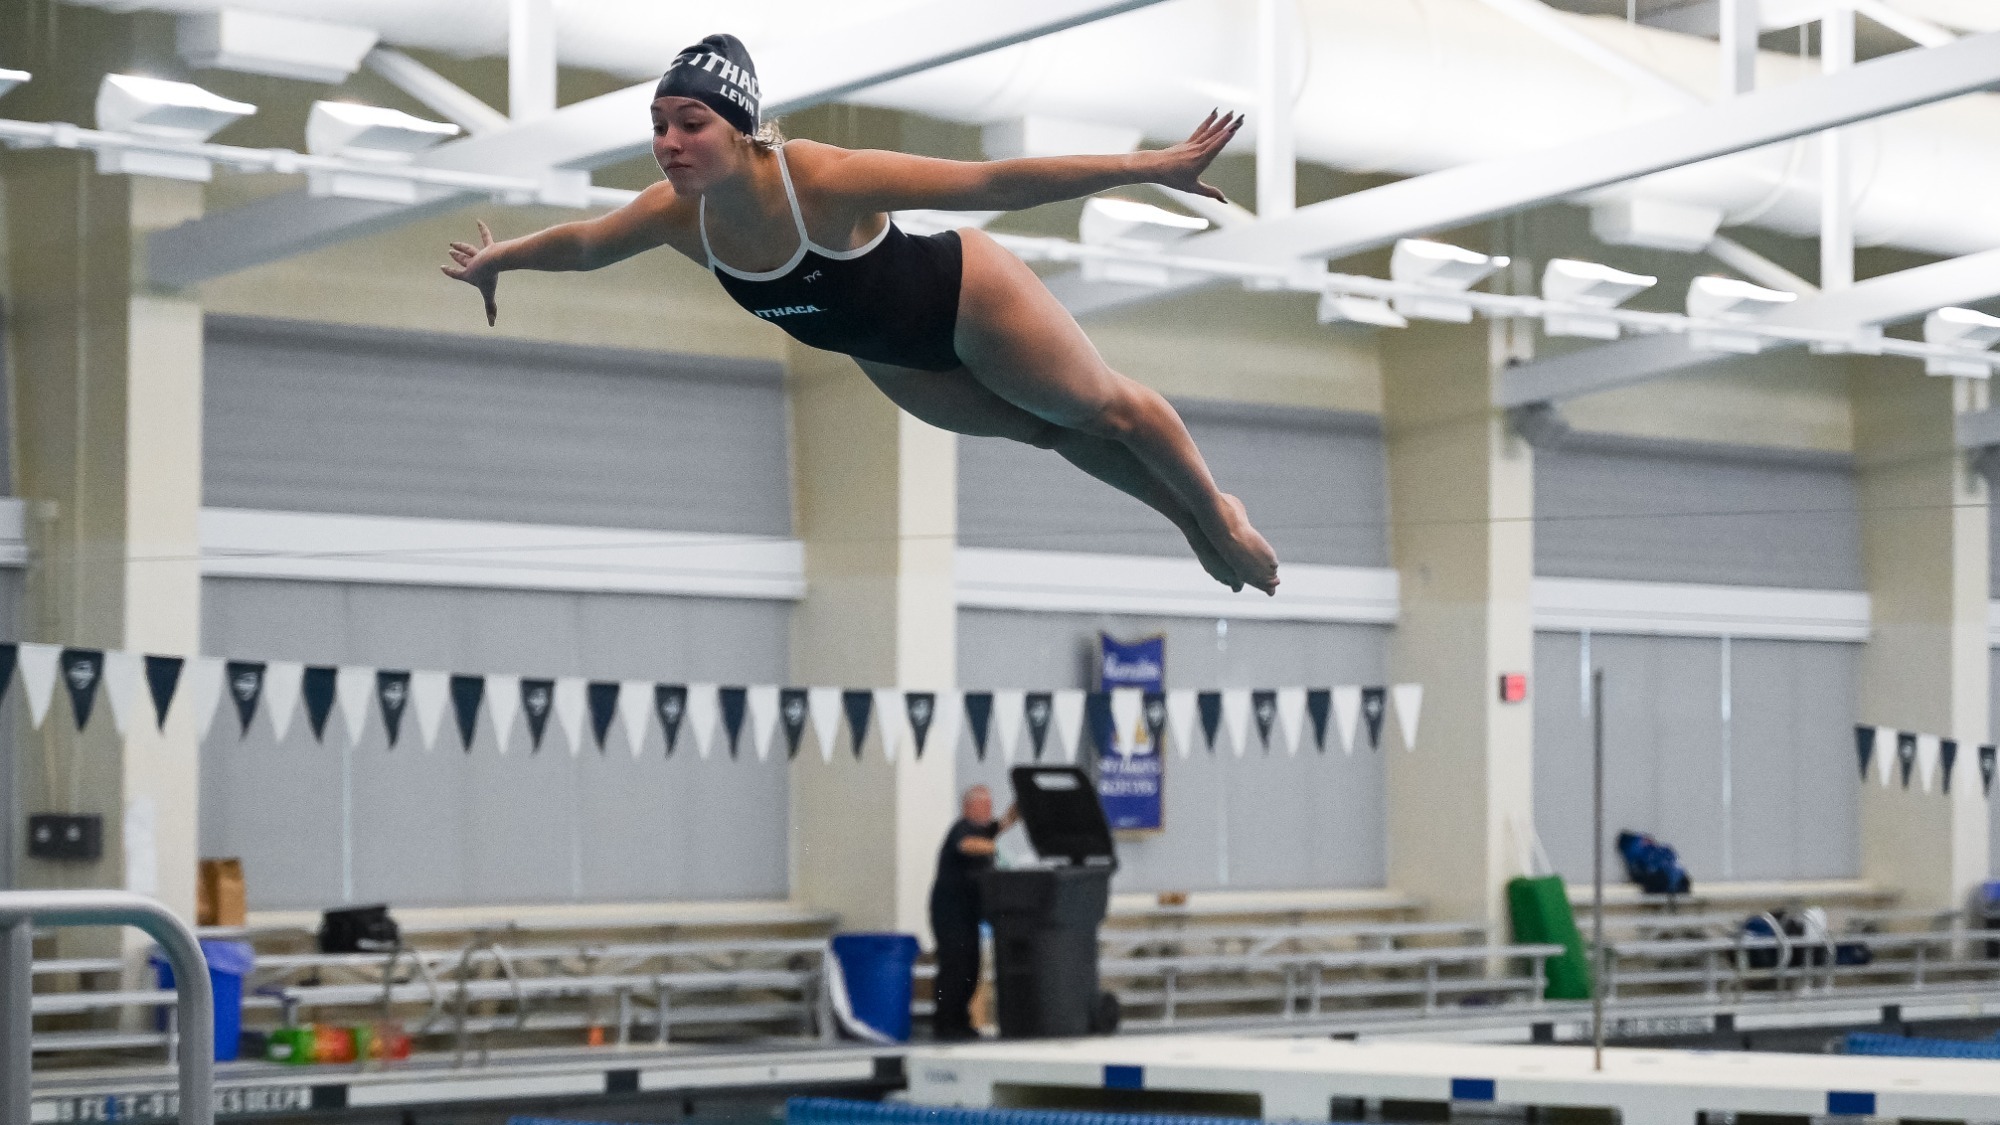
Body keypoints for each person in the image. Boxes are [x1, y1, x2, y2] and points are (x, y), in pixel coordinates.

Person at [441, 33, 1280, 596]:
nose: (668, 143)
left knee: (1104, 408)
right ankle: (1187, 524)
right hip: (891, 358)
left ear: (740, 130)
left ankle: (1216, 510)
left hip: (964, 299)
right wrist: (499, 260)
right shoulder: (673, 214)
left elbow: (993, 185)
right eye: (659, 126)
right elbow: (587, 243)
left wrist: (1148, 165)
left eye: (689, 124)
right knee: (1052, 433)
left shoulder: (821, 178)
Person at [927, 784, 1018, 1041]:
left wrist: (1017, 810)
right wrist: (995, 849)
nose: (989, 810)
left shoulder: (984, 830)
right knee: (955, 966)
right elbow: (967, 845)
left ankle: (961, 1021)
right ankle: (945, 1022)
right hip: (950, 912)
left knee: (971, 968)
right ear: (970, 806)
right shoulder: (962, 829)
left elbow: (1004, 823)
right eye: (984, 805)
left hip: (969, 914)